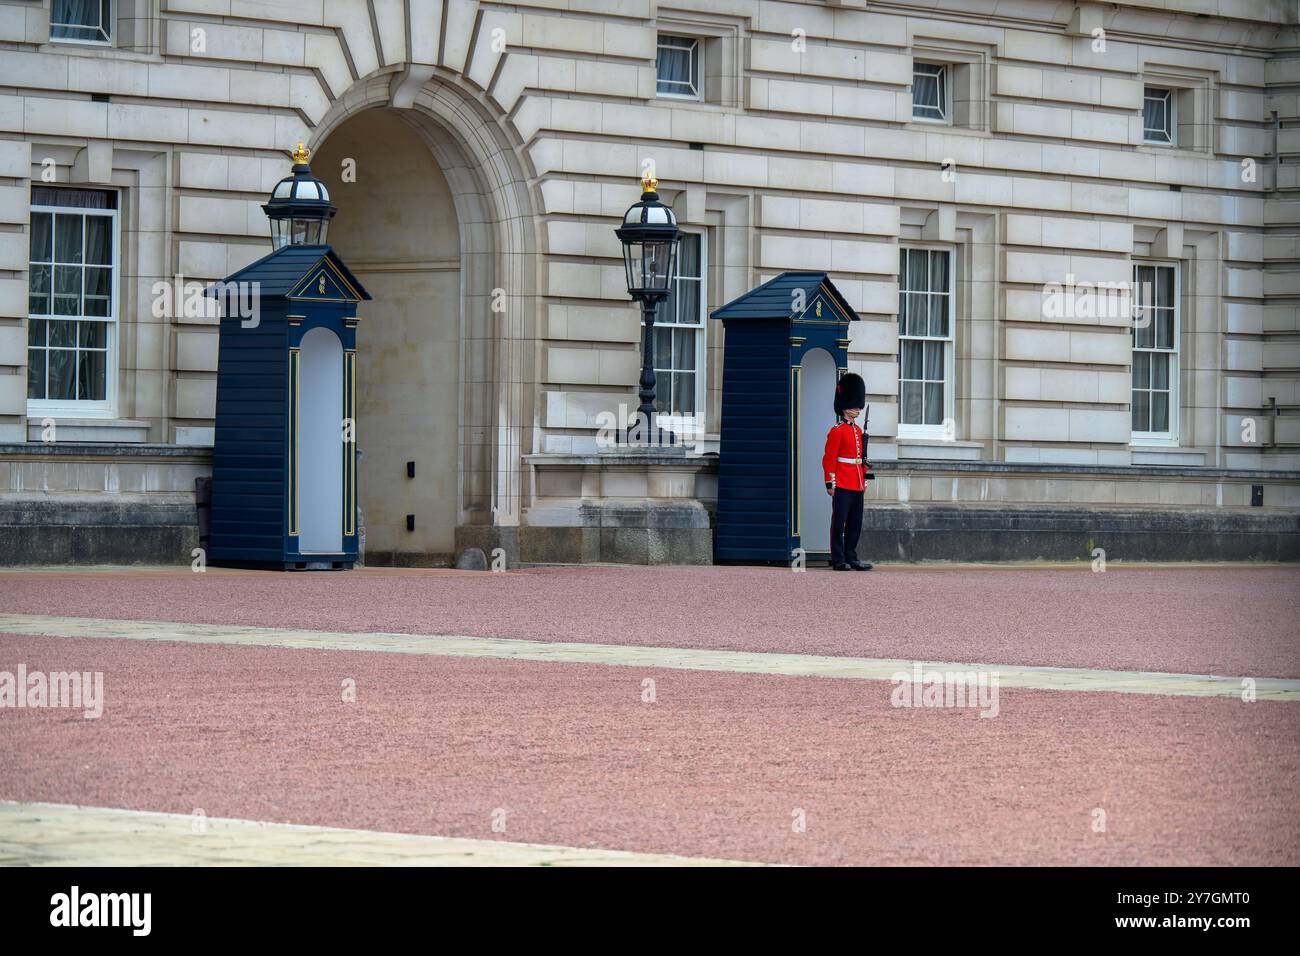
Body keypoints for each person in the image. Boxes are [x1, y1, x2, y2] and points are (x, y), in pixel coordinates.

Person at [821, 372, 873, 571]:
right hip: (842, 482)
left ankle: (852, 556)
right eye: (853, 404)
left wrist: (864, 478)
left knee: (855, 523)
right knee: (839, 522)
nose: (856, 408)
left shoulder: (859, 431)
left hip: (857, 481)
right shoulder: (837, 430)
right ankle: (838, 558)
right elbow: (829, 458)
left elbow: (862, 458)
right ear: (844, 406)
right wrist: (830, 482)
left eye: (857, 405)